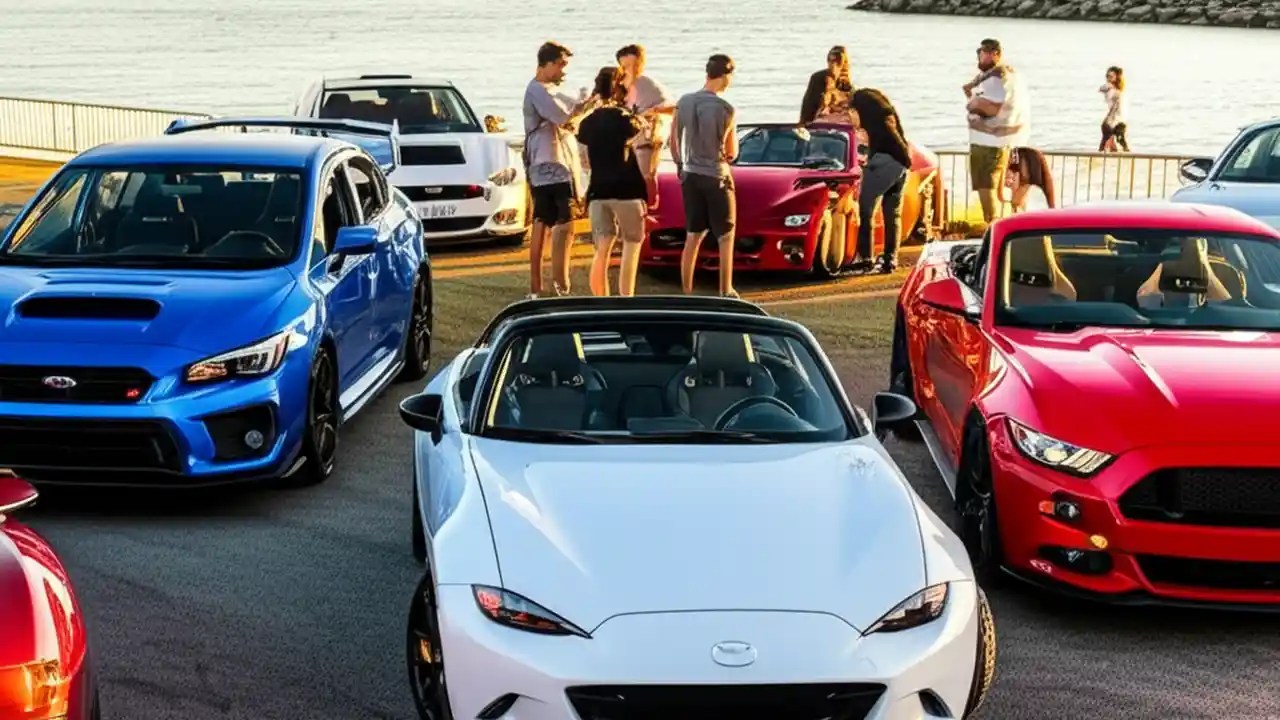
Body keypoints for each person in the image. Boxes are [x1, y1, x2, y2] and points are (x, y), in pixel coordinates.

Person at [522, 41, 593, 298]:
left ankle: (540, 286)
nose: (563, 71)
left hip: (551, 162)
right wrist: (586, 103)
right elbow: (563, 117)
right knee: (561, 221)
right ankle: (557, 284)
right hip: (549, 164)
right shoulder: (538, 89)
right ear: (547, 63)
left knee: (544, 219)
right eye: (561, 65)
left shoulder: (548, 89)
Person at [671, 54, 739, 298]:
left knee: (693, 234)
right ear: (725, 76)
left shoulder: (684, 101)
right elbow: (731, 152)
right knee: (725, 234)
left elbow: (673, 142)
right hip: (716, 175)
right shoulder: (726, 109)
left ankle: (687, 290)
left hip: (690, 174)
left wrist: (680, 165)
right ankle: (725, 289)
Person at [576, 67, 648, 297]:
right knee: (632, 243)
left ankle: (601, 299)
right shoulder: (628, 119)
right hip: (627, 189)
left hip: (598, 190)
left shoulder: (587, 123)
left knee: (602, 247)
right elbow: (645, 143)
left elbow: (584, 162)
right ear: (620, 87)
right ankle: (627, 299)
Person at [845, 88, 912, 274]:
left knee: (864, 210)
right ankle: (890, 259)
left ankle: (865, 258)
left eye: (853, 110)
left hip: (885, 164)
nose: (851, 114)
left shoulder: (877, 129)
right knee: (893, 214)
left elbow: (872, 152)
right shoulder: (887, 120)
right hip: (902, 164)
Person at [963, 38, 1029, 223]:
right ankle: (1002, 224)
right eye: (979, 52)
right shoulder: (1007, 75)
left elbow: (991, 108)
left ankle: (992, 226)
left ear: (995, 54)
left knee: (987, 187)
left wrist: (973, 104)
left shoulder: (996, 78)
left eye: (983, 53)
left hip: (988, 142)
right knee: (997, 189)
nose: (979, 56)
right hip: (1002, 141)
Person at [616, 44, 675, 207]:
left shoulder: (649, 85)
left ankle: (650, 208)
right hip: (630, 139)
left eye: (634, 65)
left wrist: (652, 111)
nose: (630, 70)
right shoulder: (622, 85)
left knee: (647, 175)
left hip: (648, 137)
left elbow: (674, 108)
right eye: (625, 66)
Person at [800, 46, 853, 124]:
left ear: (843, 64)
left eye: (837, 61)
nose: (832, 64)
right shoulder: (818, 79)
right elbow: (808, 108)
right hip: (817, 123)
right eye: (829, 60)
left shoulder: (847, 87)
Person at [1099, 66, 1130, 152]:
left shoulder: (1120, 91)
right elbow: (1101, 89)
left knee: (1122, 144)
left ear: (1117, 77)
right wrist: (1110, 87)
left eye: (1111, 76)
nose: (1109, 79)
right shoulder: (1109, 89)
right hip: (1110, 123)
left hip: (1120, 122)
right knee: (1105, 148)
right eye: (1107, 76)